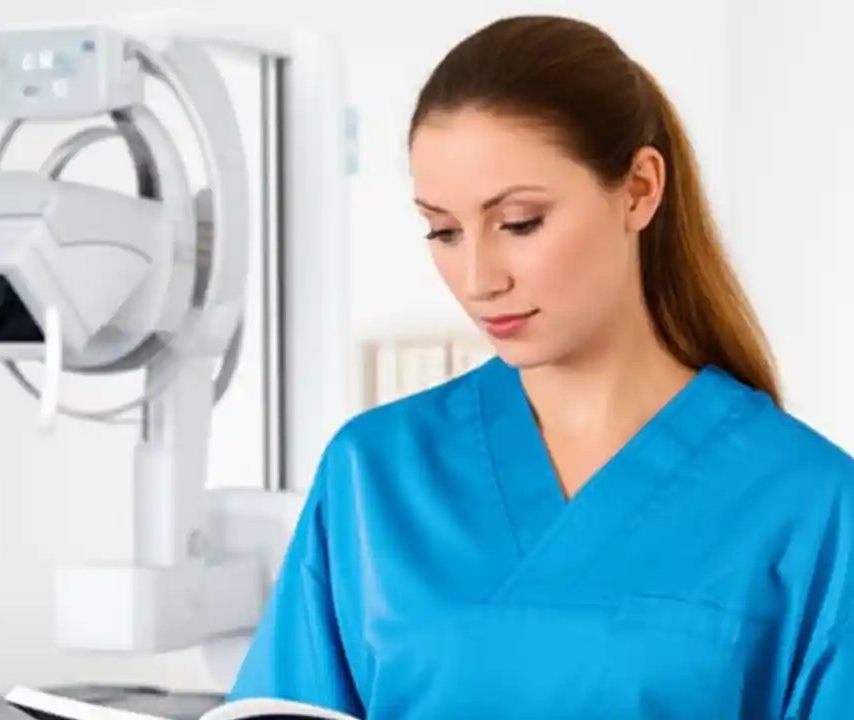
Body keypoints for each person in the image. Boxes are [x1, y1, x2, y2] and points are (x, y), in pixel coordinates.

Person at [227, 15, 854, 718]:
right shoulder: (374, 475)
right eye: (443, 230)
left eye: (520, 222)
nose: (476, 278)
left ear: (640, 190)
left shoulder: (809, 503)